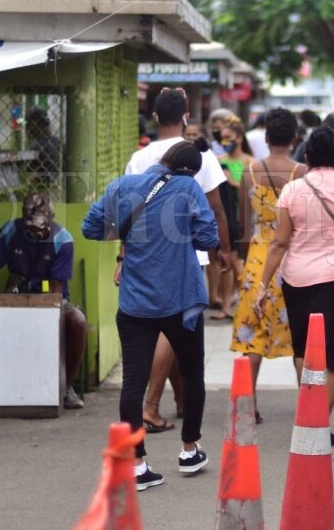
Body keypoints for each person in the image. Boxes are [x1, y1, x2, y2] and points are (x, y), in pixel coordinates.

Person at [83, 138, 220, 490]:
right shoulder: (188, 188)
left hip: (135, 305)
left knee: (133, 384)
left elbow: (90, 228)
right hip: (181, 302)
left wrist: (134, 237)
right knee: (192, 375)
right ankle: (189, 450)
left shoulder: (121, 185)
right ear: (190, 170)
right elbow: (208, 239)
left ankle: (137, 465)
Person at [255, 126, 334, 446]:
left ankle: (309, 418)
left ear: (306, 158)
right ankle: (318, 425)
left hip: (297, 280)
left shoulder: (293, 190)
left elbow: (279, 243)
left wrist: (262, 284)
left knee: (304, 350)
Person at [123, 88, 232, 434]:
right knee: (174, 329)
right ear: (186, 114)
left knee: (163, 327)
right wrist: (223, 249)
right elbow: (216, 207)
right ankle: (151, 404)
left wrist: (122, 255)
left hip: (142, 254)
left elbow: (127, 209)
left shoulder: (139, 158)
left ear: (155, 118)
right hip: (187, 254)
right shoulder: (199, 154)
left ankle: (181, 399)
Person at [0, 193, 88, 409]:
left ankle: (66, 387)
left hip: (51, 297)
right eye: (29, 228)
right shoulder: (9, 230)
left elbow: (56, 290)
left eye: (40, 229)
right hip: (14, 295)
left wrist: (42, 314)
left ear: (51, 220)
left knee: (77, 322)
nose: (35, 233)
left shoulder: (62, 240)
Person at [230, 108, 307, 421]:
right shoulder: (301, 172)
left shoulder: (249, 171)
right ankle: (307, 407)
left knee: (252, 337)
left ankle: (248, 407)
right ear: (293, 138)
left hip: (258, 261)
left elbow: (244, 225)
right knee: (300, 337)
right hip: (290, 259)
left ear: (265, 136)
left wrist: (246, 260)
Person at [216, 120, 254, 320]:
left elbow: (253, 191)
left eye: (229, 138)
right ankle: (227, 305)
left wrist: (232, 181)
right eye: (222, 138)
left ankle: (245, 302)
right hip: (224, 217)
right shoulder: (218, 159)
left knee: (238, 261)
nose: (225, 142)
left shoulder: (249, 162)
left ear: (239, 138)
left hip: (242, 218)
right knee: (227, 261)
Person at [26, 109, 63, 192]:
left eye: (29, 125)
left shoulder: (36, 147)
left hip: (45, 188)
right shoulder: (58, 142)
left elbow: (29, 176)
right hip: (60, 185)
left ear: (35, 126)